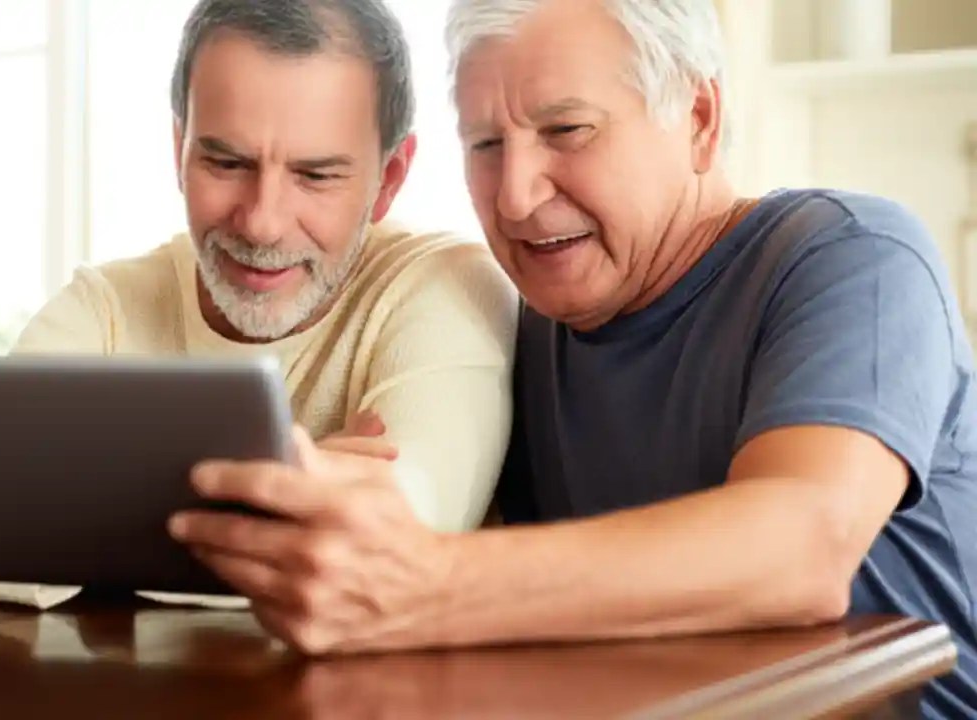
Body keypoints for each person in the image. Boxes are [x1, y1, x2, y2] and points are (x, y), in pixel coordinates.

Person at [165, 0, 977, 716]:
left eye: (567, 131)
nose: (514, 194)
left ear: (697, 117)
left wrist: (427, 580)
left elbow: (801, 550)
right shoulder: (507, 328)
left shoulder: (852, 258)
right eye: (485, 143)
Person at [0, 0, 518, 610]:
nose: (263, 223)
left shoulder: (444, 284)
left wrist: (74, 512)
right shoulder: (105, 310)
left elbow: (406, 530)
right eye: (226, 161)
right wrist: (293, 484)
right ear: (179, 151)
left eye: (316, 175)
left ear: (390, 179)